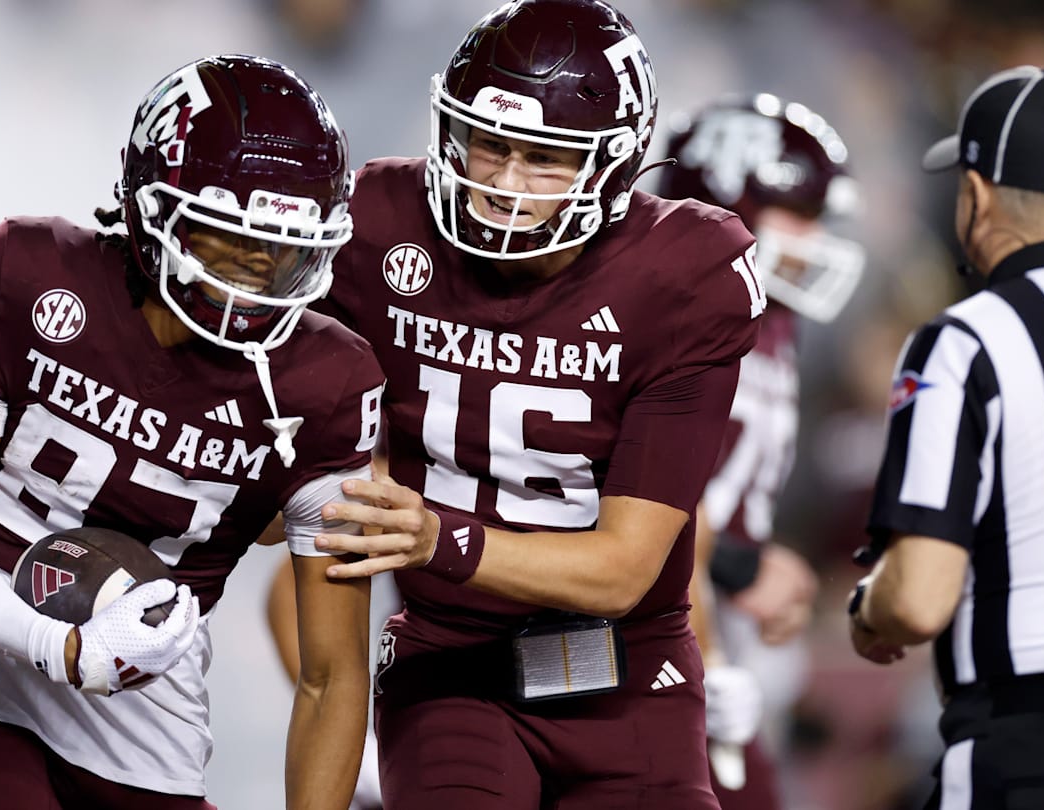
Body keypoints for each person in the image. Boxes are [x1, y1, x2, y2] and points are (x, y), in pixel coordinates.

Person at [0, 54, 385, 809]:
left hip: (151, 721)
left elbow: (331, 673)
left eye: (282, 248)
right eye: (225, 234)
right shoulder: (26, 280)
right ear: (151, 204)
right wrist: (62, 645)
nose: (255, 269)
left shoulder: (330, 383)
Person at [306, 1, 766, 806]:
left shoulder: (682, 274)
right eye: (488, 146)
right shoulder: (377, 228)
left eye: (545, 158)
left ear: (614, 165)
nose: (503, 186)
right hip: (451, 662)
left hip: (630, 671)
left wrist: (434, 537)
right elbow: (300, 471)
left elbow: (623, 569)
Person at [850, 65, 1044, 809]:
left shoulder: (971, 340)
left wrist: (868, 607)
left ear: (975, 195)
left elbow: (917, 598)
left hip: (1034, 746)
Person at [655, 94, 866, 809]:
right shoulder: (682, 317)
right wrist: (742, 569)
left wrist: (746, 565)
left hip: (709, 631)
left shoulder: (770, 319)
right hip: (654, 641)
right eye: (801, 214)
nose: (815, 238)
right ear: (729, 202)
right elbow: (660, 501)